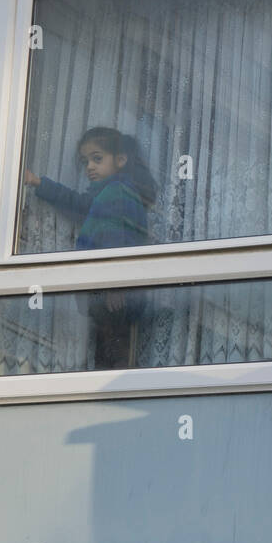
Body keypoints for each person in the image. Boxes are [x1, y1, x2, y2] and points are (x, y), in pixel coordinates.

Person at [24, 127, 159, 367]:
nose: (89, 167)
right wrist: (37, 182)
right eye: (86, 161)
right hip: (106, 291)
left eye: (97, 159)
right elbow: (76, 202)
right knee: (106, 348)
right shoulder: (104, 194)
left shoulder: (120, 192)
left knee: (114, 351)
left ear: (120, 160)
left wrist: (117, 283)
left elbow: (123, 240)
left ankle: (113, 391)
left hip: (117, 293)